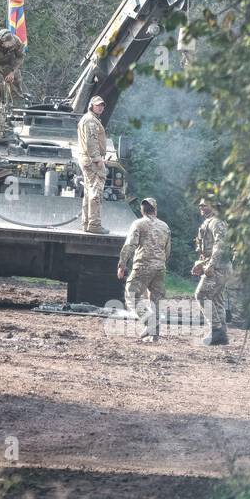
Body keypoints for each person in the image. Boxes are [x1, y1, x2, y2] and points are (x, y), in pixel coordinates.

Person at [118, 197, 170, 341]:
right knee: (156, 300)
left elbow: (130, 245)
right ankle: (154, 335)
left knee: (131, 294)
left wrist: (122, 264)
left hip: (143, 266)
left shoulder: (138, 224)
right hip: (160, 267)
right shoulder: (165, 226)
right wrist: (160, 263)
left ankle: (150, 323)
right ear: (155, 210)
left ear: (142, 210)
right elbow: (168, 250)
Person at [192, 197, 232, 345]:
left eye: (205, 204)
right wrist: (200, 264)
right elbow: (207, 250)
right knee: (216, 299)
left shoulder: (217, 222)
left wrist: (211, 265)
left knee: (201, 294)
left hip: (219, 267)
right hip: (218, 266)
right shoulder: (210, 222)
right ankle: (222, 335)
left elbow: (220, 245)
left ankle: (216, 331)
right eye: (200, 204)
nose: (201, 206)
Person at [77, 96, 109, 234]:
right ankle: (94, 224)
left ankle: (86, 223)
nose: (100, 107)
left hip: (87, 159)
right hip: (92, 161)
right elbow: (91, 142)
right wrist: (97, 158)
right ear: (91, 106)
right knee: (96, 192)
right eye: (97, 105)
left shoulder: (90, 119)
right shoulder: (90, 121)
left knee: (89, 192)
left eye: (102, 105)